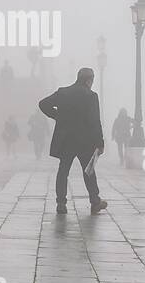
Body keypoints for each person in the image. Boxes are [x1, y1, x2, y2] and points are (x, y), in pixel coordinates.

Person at [38, 68, 108, 216]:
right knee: (89, 171)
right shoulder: (91, 96)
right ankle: (95, 201)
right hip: (85, 141)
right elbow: (95, 121)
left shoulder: (63, 92)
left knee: (63, 171)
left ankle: (61, 203)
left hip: (66, 139)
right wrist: (100, 143)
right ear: (89, 80)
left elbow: (43, 104)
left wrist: (58, 116)